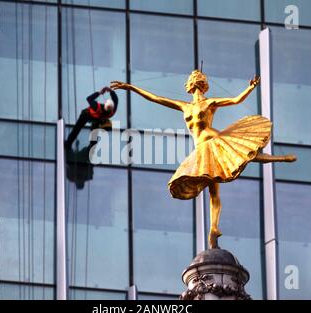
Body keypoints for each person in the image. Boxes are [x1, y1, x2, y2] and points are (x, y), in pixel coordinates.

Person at [111, 70, 296, 249]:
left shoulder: (210, 103)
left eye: (196, 78)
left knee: (243, 154)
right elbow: (155, 98)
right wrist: (131, 87)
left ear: (200, 83)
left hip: (213, 140)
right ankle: (214, 227)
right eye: (193, 79)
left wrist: (250, 88)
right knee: (213, 190)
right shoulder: (184, 106)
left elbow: (235, 100)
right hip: (201, 148)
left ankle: (281, 158)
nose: (194, 81)